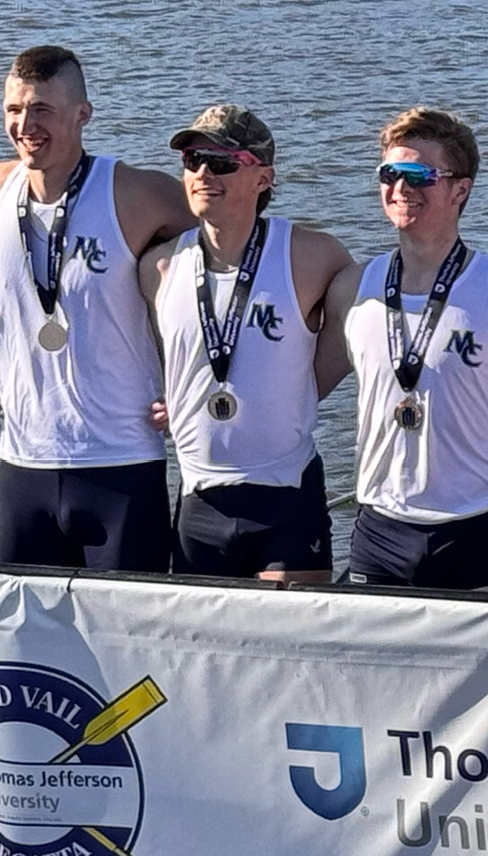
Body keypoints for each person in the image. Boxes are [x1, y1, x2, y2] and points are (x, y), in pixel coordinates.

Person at [0, 45, 196, 570]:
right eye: (14, 110)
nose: (25, 125)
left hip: (121, 461)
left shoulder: (136, 193)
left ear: (83, 113)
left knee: (127, 635)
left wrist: (192, 386)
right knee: (23, 640)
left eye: (42, 110)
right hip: (22, 463)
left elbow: (232, 255)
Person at [316, 107, 488, 591]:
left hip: (480, 529)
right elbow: (299, 388)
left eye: (419, 175)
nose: (401, 188)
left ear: (461, 189)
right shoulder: (353, 288)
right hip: (382, 529)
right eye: (389, 174)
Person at [139, 105, 353, 582]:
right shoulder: (157, 267)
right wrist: (175, 397)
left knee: (290, 645)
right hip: (199, 496)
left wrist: (300, 387)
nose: (202, 173)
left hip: (286, 493)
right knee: (204, 651)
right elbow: (161, 359)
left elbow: (367, 336)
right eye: (193, 160)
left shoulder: (314, 256)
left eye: (222, 163)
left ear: (263, 178)